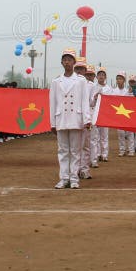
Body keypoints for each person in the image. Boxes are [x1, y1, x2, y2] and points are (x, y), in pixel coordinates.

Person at [49, 48, 91, 189]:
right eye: (65, 59)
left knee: (75, 150)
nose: (67, 62)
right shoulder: (56, 81)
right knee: (62, 150)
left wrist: (86, 119)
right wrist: (52, 123)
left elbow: (85, 101)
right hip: (61, 118)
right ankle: (64, 178)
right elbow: (52, 103)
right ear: (61, 62)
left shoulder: (81, 81)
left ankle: (74, 178)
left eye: (69, 59)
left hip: (75, 117)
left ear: (74, 62)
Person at [113, 71, 134, 157]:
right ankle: (122, 150)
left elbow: (132, 102)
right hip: (119, 115)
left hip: (128, 114)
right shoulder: (113, 91)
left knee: (130, 133)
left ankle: (131, 150)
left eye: (120, 79)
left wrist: (130, 93)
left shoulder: (128, 91)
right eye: (117, 79)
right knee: (120, 133)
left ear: (124, 80)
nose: (119, 80)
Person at [93, 67, 111, 160]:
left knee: (104, 135)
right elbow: (91, 101)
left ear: (105, 77)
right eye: (99, 75)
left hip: (105, 114)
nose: (101, 76)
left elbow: (111, 101)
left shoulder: (108, 88)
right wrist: (95, 98)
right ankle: (97, 154)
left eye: (103, 75)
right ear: (96, 76)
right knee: (96, 136)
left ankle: (104, 155)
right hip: (95, 114)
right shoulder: (94, 87)